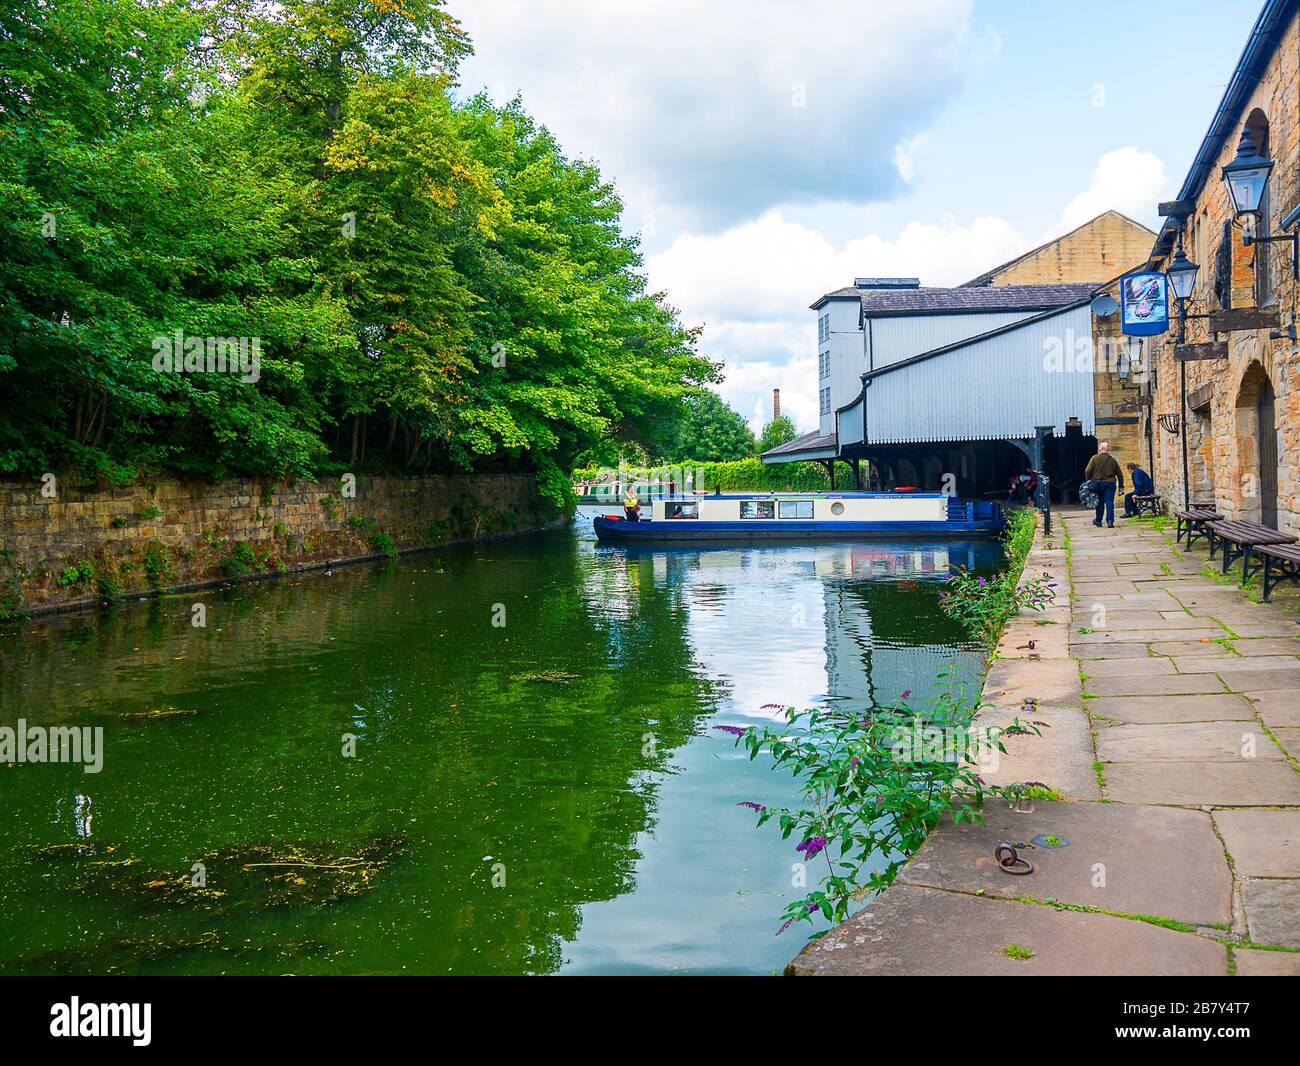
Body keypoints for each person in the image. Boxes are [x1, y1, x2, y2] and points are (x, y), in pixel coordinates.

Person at [1084, 441, 1124, 528]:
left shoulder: (1095, 458)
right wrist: (1121, 486)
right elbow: (1119, 474)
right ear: (1107, 450)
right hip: (1110, 483)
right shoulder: (1112, 460)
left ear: (1100, 449)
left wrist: (1089, 480)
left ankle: (1098, 520)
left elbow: (1087, 470)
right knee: (1109, 502)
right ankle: (1110, 521)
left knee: (1099, 502)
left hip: (1098, 483)